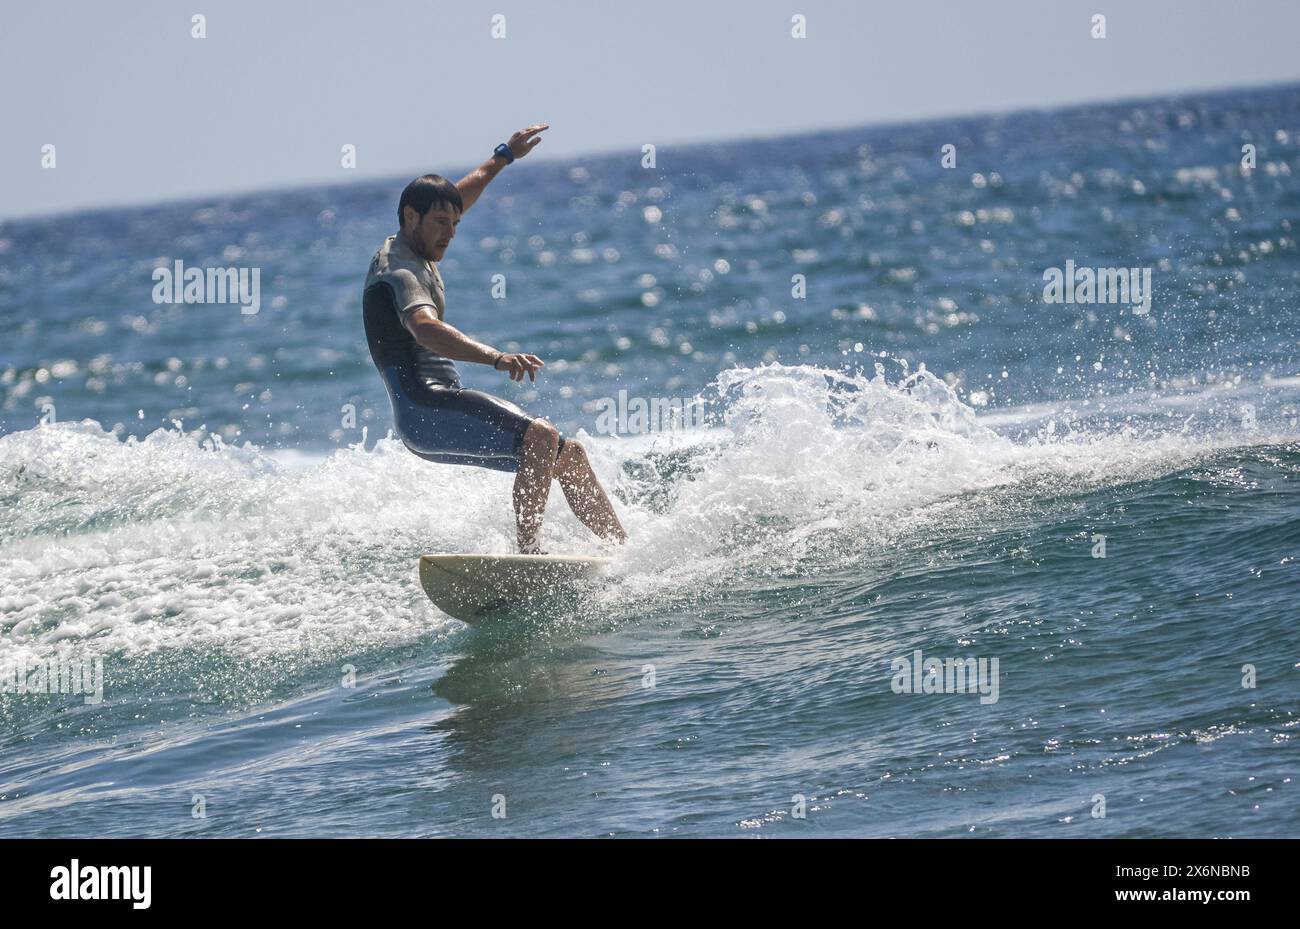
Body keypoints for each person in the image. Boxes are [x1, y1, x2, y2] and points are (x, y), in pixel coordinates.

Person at [362, 124, 626, 554]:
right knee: (539, 436)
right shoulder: (401, 270)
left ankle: (621, 551)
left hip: (442, 403)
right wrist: (497, 358)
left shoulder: (419, 238)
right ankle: (529, 557)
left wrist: (503, 156)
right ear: (411, 218)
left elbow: (461, 195)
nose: (450, 233)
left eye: (455, 223)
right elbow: (425, 329)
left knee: (567, 454)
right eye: (441, 223)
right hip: (423, 408)